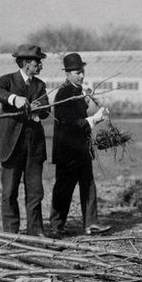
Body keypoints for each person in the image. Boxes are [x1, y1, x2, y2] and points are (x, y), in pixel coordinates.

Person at [0, 44, 51, 235]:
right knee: (9, 192)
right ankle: (10, 233)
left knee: (35, 192)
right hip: (11, 147)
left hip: (33, 147)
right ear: (24, 63)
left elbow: (47, 110)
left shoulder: (40, 85)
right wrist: (14, 99)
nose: (40, 65)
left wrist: (40, 108)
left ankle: (36, 231)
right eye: (37, 62)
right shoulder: (7, 80)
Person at [49, 53, 111, 236]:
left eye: (82, 71)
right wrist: (94, 120)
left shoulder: (77, 91)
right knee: (64, 188)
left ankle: (91, 223)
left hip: (81, 149)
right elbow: (69, 123)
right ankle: (56, 226)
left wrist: (89, 101)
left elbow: (79, 117)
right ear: (67, 74)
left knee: (88, 184)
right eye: (77, 72)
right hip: (67, 150)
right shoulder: (64, 93)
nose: (82, 75)